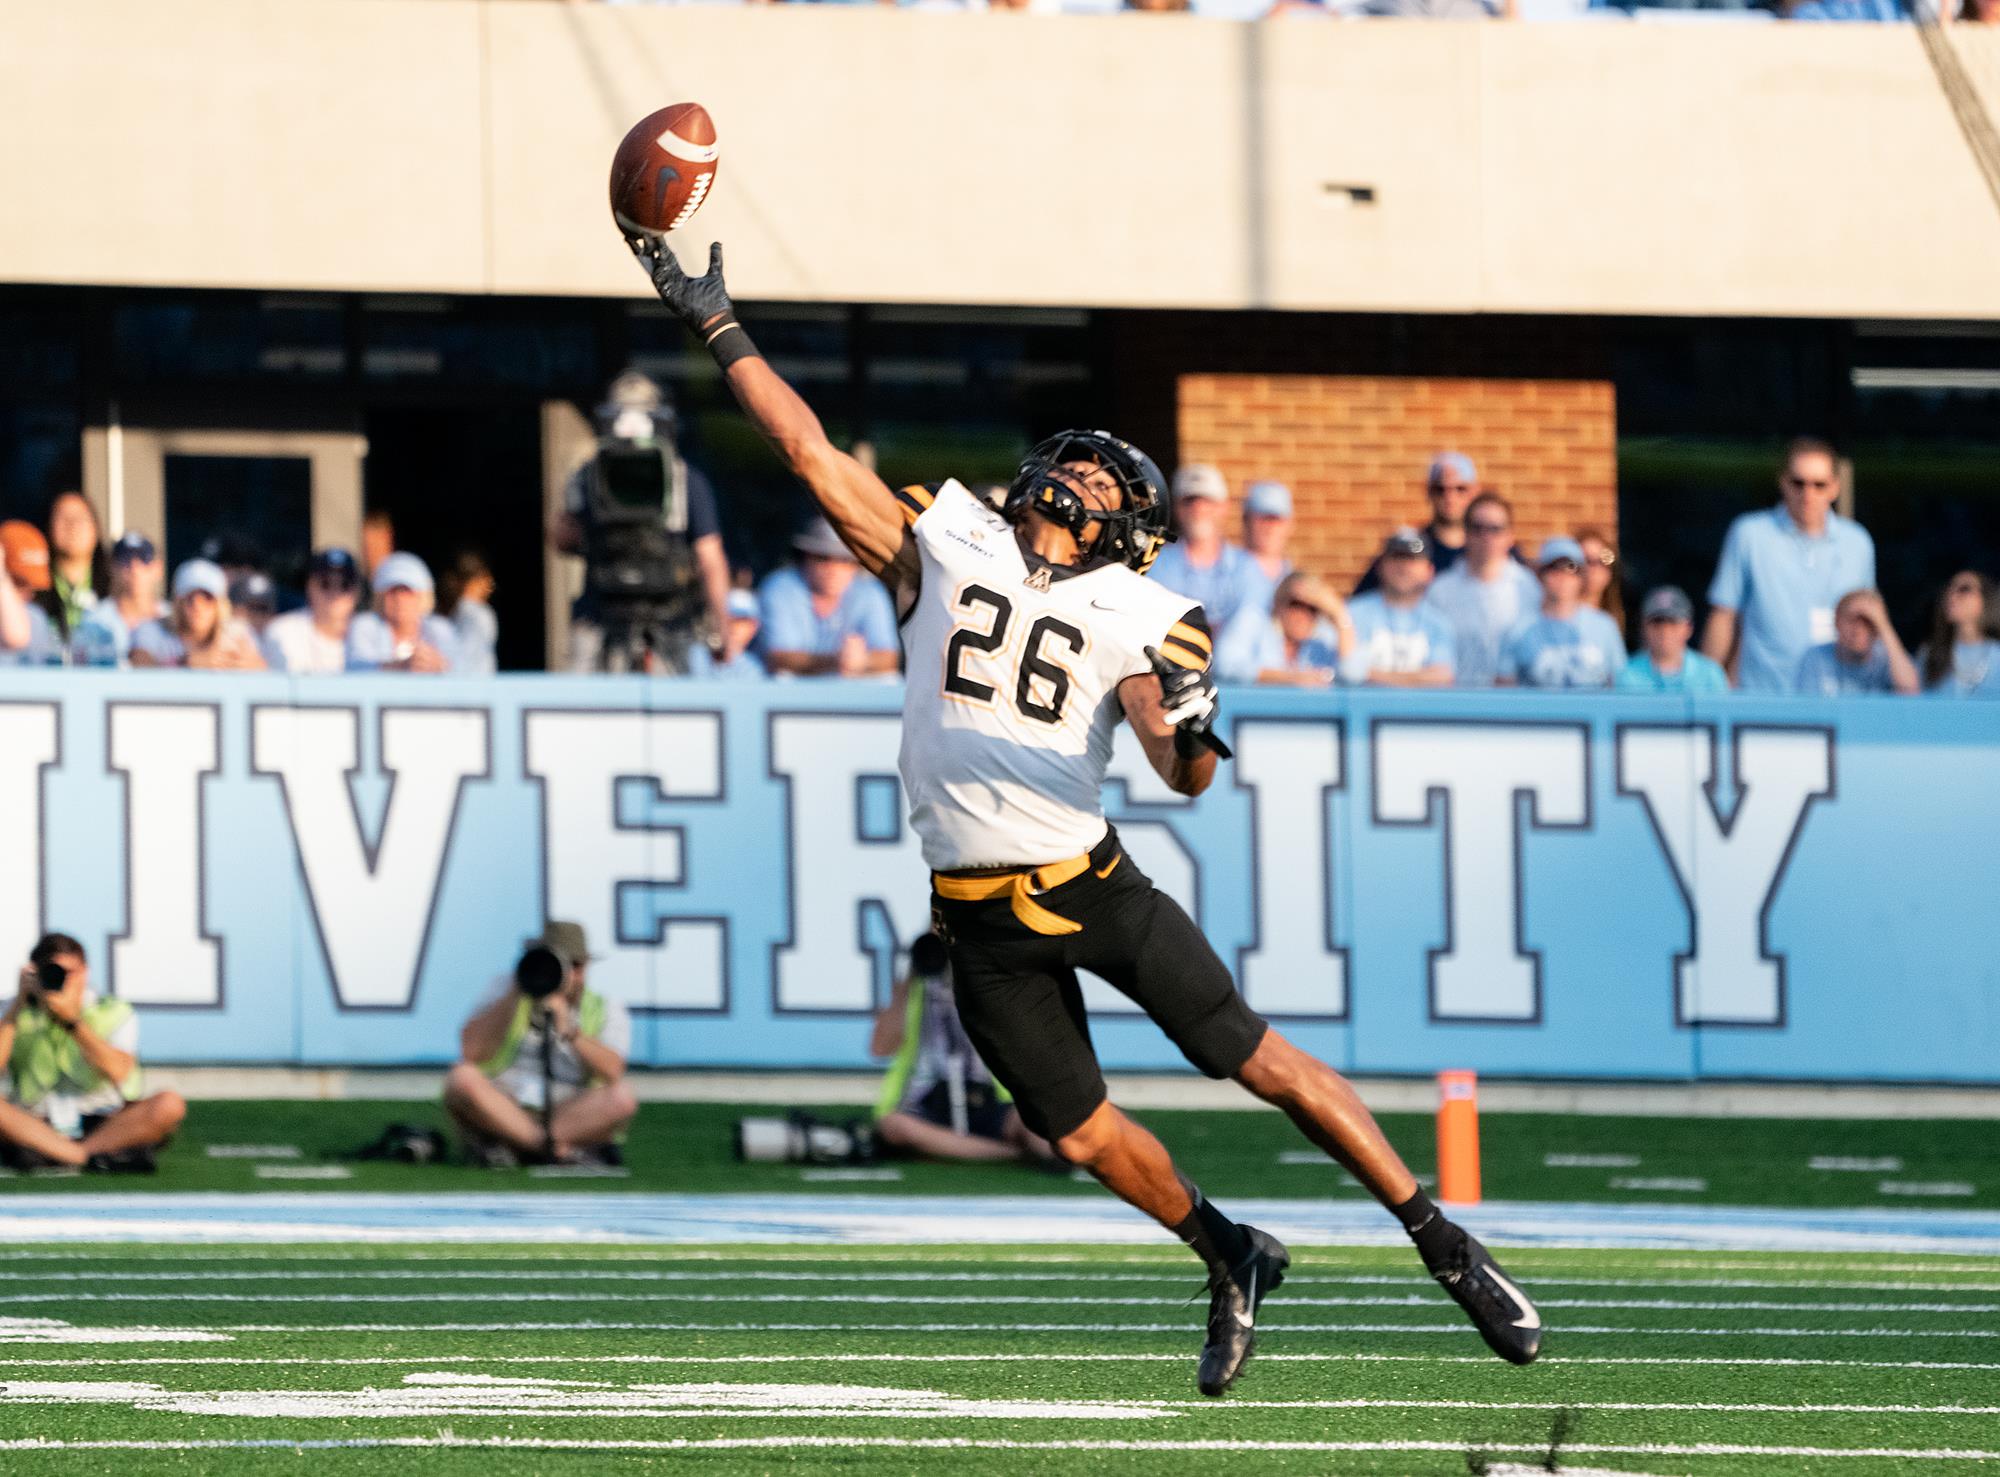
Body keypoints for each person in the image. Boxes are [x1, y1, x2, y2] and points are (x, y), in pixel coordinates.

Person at [629, 232, 1541, 1395]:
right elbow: (804, 449)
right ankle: (1228, 1252)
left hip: (1089, 886)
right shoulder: (943, 542)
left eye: (1110, 484)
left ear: (1130, 528)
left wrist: (1196, 722)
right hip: (976, 917)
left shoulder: (1146, 612)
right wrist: (715, 320)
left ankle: (1442, 1243)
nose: (1082, 484)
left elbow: (1180, 774)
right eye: (1082, 466)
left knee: (1257, 1062)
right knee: (1078, 1135)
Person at [553, 370, 732, 674]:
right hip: (602, 613)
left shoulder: (683, 480)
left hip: (670, 618)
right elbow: (563, 538)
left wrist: (721, 625)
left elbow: (710, 558)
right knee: (585, 708)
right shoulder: (587, 476)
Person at [442, 922, 637, 1168]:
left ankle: (515, 1145)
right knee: (461, 1078)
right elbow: (470, 1051)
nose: (564, 974)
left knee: (622, 1097)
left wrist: (571, 1031)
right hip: (505, 1100)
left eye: (573, 965)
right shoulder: (505, 989)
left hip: (570, 1108)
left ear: (584, 968)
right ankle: (548, 1149)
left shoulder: (604, 1007)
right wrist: (516, 992)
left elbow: (613, 1070)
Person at [1702, 437, 1877, 693]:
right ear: (1783, 482)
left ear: (1835, 488)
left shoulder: (1858, 542)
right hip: (1762, 694)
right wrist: (1705, 687)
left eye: (1819, 485)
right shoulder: (1750, 534)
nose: (1808, 494)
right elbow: (1724, 615)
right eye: (1799, 483)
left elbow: (1868, 624)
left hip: (1838, 699)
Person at [0, 933, 186, 1173]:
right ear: (33, 973)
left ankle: (67, 1153)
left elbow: (119, 1071)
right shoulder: (11, 1011)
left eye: (69, 973)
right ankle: (88, 1156)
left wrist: (72, 1023)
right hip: (34, 1121)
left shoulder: (111, 1011)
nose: (61, 981)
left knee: (169, 1105)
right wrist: (16, 1010)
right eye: (52, 973)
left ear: (85, 972)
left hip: (100, 1120)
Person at [871, 933, 1056, 1165]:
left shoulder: (991, 972)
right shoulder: (918, 979)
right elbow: (880, 1048)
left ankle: (966, 1149)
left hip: (987, 1096)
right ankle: (1009, 1153)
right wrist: (910, 976)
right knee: (894, 1126)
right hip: (927, 1098)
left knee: (1043, 1131)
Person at [1424, 491, 1544, 687]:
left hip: (1514, 705)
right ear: (1465, 533)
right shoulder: (1440, 590)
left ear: (1511, 536)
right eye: (1477, 528)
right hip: (1454, 703)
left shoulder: (1530, 589)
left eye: (1495, 529)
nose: (1486, 536)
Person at [756, 517, 900, 677]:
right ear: (804, 558)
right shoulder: (780, 587)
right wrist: (836, 662)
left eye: (844, 560)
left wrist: (863, 661)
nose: (833, 569)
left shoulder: (870, 591)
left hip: (852, 696)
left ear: (856, 564)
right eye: (823, 558)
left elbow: (890, 659)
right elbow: (778, 659)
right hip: (788, 698)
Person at [1146, 463, 1263, 636]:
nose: (1199, 509)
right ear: (1177, 508)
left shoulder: (1247, 568)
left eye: (1208, 501)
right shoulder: (1156, 564)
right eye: (1189, 502)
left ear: (1224, 507)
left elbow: (1251, 629)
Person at [1498, 536, 1627, 689]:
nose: (1563, 575)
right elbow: (1504, 690)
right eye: (1554, 567)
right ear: (1540, 574)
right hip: (1538, 712)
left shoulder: (1604, 626)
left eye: (1571, 567)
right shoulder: (1518, 629)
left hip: (1591, 712)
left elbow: (1619, 684)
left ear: (1582, 576)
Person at [1354, 452, 1477, 595]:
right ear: (1428, 492)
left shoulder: (1490, 547)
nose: (1450, 497)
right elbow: (1362, 601)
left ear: (1474, 492)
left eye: (1460, 489)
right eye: (1440, 489)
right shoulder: (1411, 548)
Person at [1344, 528, 1455, 686]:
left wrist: (1372, 675)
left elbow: (1442, 676)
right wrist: (1417, 678)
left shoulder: (1438, 622)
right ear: (1380, 566)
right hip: (1367, 710)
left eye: (1412, 560)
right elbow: (1348, 671)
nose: (1404, 567)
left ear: (1429, 571)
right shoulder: (1353, 613)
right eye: (1397, 558)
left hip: (1419, 710)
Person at [1215, 571, 1362, 686]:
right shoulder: (1253, 620)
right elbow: (1225, 665)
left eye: (1313, 608)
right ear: (1279, 603)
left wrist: (1339, 615)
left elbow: (1353, 675)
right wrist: (1289, 677)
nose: (1303, 615)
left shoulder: (1322, 637)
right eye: (1296, 604)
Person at [130, 560, 267, 670]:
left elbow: (264, 676)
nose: (198, 606)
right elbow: (140, 671)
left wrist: (245, 666)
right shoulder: (151, 631)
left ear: (220, 606)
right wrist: (187, 665)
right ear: (177, 603)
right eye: (190, 598)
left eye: (207, 598)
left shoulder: (237, 635)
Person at [345, 551, 457, 674]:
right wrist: (400, 667)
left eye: (407, 592)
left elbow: (462, 669)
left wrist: (441, 666)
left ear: (423, 597)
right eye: (392, 592)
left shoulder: (440, 628)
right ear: (380, 598)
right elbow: (355, 669)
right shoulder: (364, 625)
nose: (399, 599)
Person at [1794, 588, 1919, 697]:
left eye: (1868, 622)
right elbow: (1808, 711)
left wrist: (1884, 626)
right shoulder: (1816, 657)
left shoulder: (1886, 660)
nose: (1858, 630)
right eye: (1852, 620)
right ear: (1837, 621)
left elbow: (1910, 692)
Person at [73, 532, 166, 666]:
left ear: (158, 568)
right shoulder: (92, 620)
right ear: (112, 567)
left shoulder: (174, 620)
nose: (135, 569)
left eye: (144, 559)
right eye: (125, 560)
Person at [264, 548, 362, 676]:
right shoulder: (285, 630)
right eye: (325, 584)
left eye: (344, 585)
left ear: (357, 592)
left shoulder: (370, 633)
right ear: (309, 587)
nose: (334, 593)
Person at [1618, 586, 1730, 694]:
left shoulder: (1710, 674)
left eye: (1673, 622)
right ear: (1643, 627)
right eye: (1657, 622)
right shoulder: (1627, 674)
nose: (1665, 631)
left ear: (1688, 627)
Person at [38, 489, 110, 642]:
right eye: (63, 517)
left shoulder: (113, 587)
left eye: (81, 518)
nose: (72, 526)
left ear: (96, 529)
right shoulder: (35, 589)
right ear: (49, 527)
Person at [1918, 570, 2000, 698]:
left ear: (1986, 599)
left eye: (1964, 589)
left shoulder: (1996, 654)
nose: (1952, 594)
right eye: (1949, 588)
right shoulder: (1930, 653)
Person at [0, 521, 62, 665]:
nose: (28, 594)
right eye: (18, 583)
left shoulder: (36, 617)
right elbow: (14, 636)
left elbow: (16, 636)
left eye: (33, 587)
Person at [1239, 479, 1296, 617]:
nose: (1269, 527)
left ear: (1290, 525)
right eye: (1262, 518)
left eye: (1276, 519)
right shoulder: (1224, 573)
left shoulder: (1297, 582)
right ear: (1246, 520)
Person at [439, 552, 498, 678]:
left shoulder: (454, 612)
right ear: (480, 580)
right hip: (475, 690)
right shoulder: (480, 614)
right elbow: (468, 663)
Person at [685, 589, 767, 679]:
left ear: (754, 626)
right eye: (727, 618)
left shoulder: (756, 668)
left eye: (740, 619)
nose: (732, 625)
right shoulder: (693, 653)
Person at [1576, 527, 1627, 635]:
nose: (1595, 568)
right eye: (1587, 560)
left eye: (1604, 560)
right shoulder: (1560, 617)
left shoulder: (1614, 619)